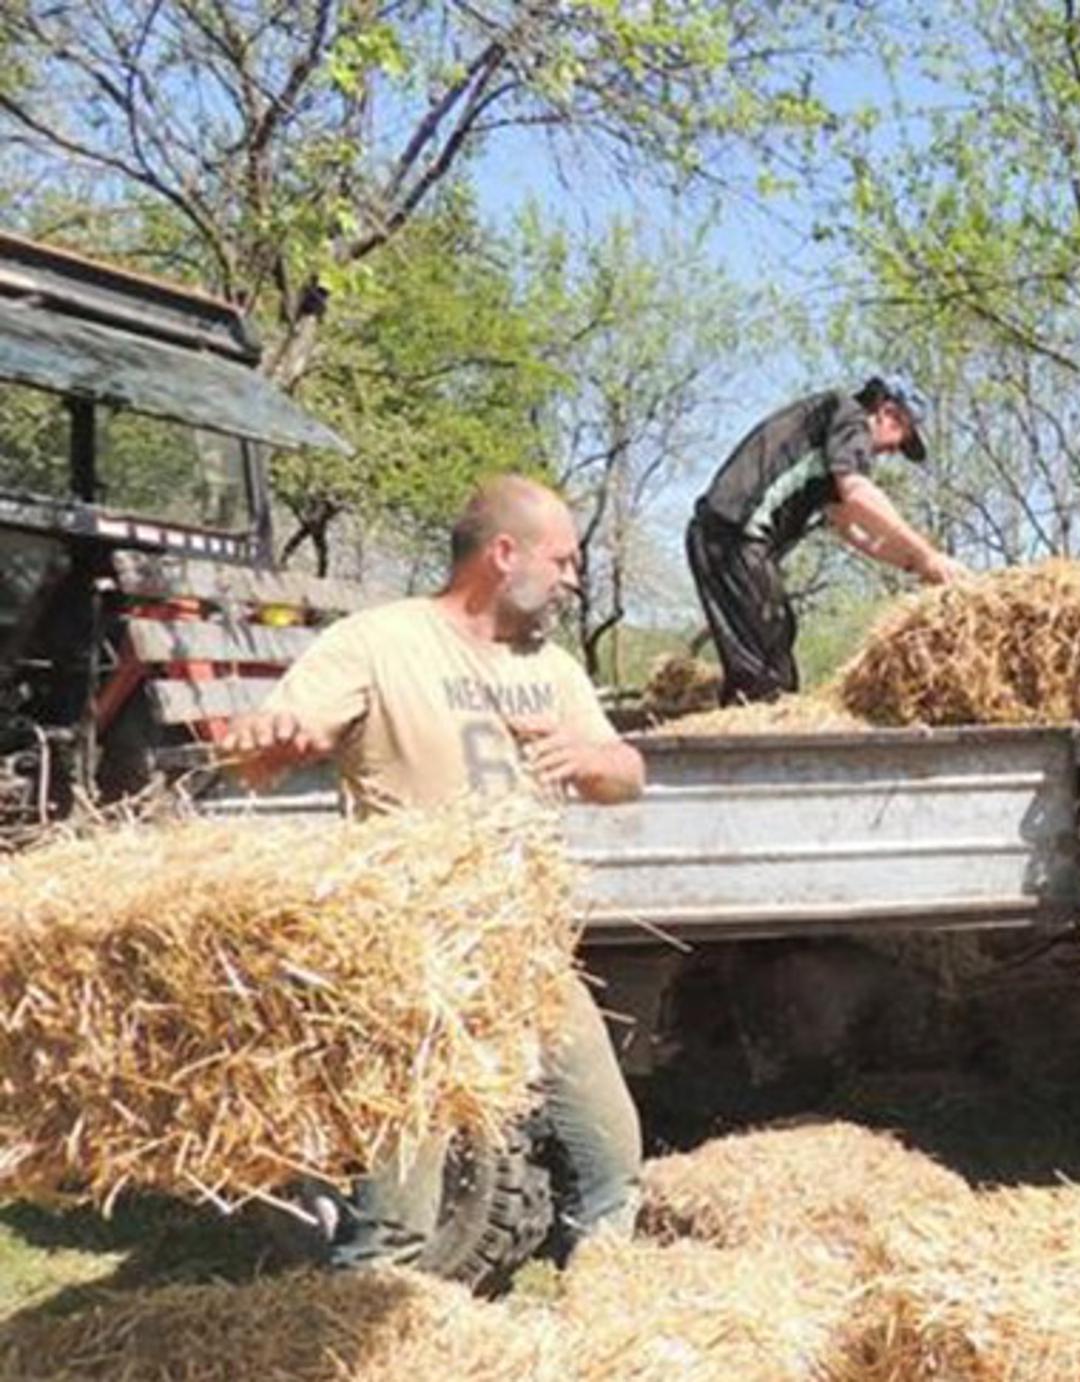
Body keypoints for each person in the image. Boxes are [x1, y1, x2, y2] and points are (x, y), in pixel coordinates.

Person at [222, 474, 647, 1272]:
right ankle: (363, 1323)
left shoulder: (550, 665)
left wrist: (592, 758)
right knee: (398, 1216)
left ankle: (604, 1298)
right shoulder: (379, 642)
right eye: (563, 559)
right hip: (414, 960)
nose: (573, 577)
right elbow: (267, 748)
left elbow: (628, 774)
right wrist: (271, 739)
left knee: (610, 1163)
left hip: (527, 948)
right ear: (503, 554)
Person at [686, 374, 965, 704]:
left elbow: (850, 525)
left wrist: (914, 563)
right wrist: (929, 555)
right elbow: (859, 494)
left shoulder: (830, 443)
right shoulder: (849, 416)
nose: (891, 451)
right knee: (764, 666)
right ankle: (754, 738)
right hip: (730, 535)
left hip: (733, 542)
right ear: (887, 413)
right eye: (899, 440)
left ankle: (761, 725)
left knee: (777, 636)